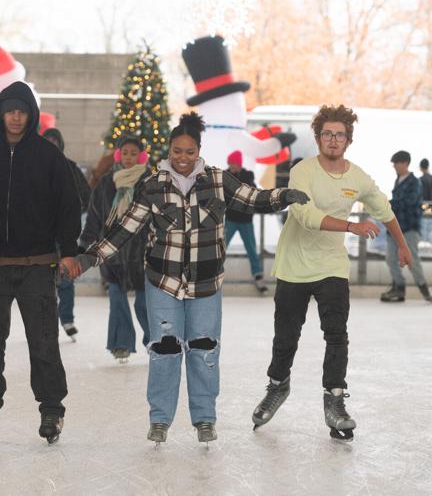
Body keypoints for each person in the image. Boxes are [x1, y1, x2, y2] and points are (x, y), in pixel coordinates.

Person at [74, 113, 309, 445]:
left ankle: (204, 418)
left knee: (204, 349)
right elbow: (125, 228)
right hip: (163, 281)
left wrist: (282, 197)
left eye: (189, 151)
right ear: (169, 150)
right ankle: (160, 419)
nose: (182, 158)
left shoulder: (217, 180)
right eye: (176, 151)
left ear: (198, 150)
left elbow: (251, 198)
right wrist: (90, 256)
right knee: (165, 350)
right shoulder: (153, 185)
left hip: (206, 282)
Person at [250, 104, 413, 442]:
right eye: (328, 134)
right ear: (318, 137)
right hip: (294, 265)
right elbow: (306, 216)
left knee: (336, 334)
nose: (333, 139)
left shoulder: (357, 177)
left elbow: (384, 208)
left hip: (331, 266)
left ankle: (335, 402)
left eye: (340, 135)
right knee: (286, 338)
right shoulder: (302, 171)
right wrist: (352, 226)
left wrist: (401, 244)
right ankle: (278, 386)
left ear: (348, 140)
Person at [0, 81, 81, 445]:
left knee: (43, 341)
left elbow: (68, 206)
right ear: (0, 113)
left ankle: (51, 410)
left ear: (31, 115)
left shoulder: (48, 157)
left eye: (22, 110)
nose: (15, 116)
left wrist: (69, 250)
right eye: (10, 110)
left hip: (37, 266)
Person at [78, 135, 150, 363]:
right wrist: (84, 244)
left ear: (141, 156)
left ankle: (156, 341)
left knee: (144, 303)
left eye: (133, 153)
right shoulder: (107, 182)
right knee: (117, 299)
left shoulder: (149, 182)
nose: (129, 158)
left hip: (142, 254)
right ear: (118, 155)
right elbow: (95, 216)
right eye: (125, 153)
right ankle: (121, 344)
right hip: (112, 254)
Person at [43, 127, 90, 341]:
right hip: (40, 236)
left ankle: (67, 318)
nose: (51, 146)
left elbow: (85, 195)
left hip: (64, 235)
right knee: (43, 282)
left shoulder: (70, 167)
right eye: (48, 142)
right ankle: (44, 321)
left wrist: (71, 211)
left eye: (55, 142)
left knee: (66, 277)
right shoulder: (35, 167)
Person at [380, 151, 432, 302]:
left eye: (396, 164)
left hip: (409, 227)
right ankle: (399, 287)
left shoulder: (415, 182)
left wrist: (388, 204)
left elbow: (409, 202)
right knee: (390, 258)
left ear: (404, 163)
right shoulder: (398, 180)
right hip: (394, 228)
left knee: (412, 260)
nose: (394, 167)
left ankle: (423, 288)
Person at [224, 150, 269, 295]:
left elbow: (252, 193)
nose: (232, 166)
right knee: (221, 246)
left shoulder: (247, 175)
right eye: (230, 164)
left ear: (239, 164)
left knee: (251, 248)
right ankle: (212, 273)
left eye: (234, 164)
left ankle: (258, 275)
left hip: (245, 219)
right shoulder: (225, 175)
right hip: (231, 219)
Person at [418, 158, 432, 243]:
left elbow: (418, 197)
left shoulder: (419, 180)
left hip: (422, 210)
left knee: (423, 234)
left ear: (420, 167)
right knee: (430, 234)